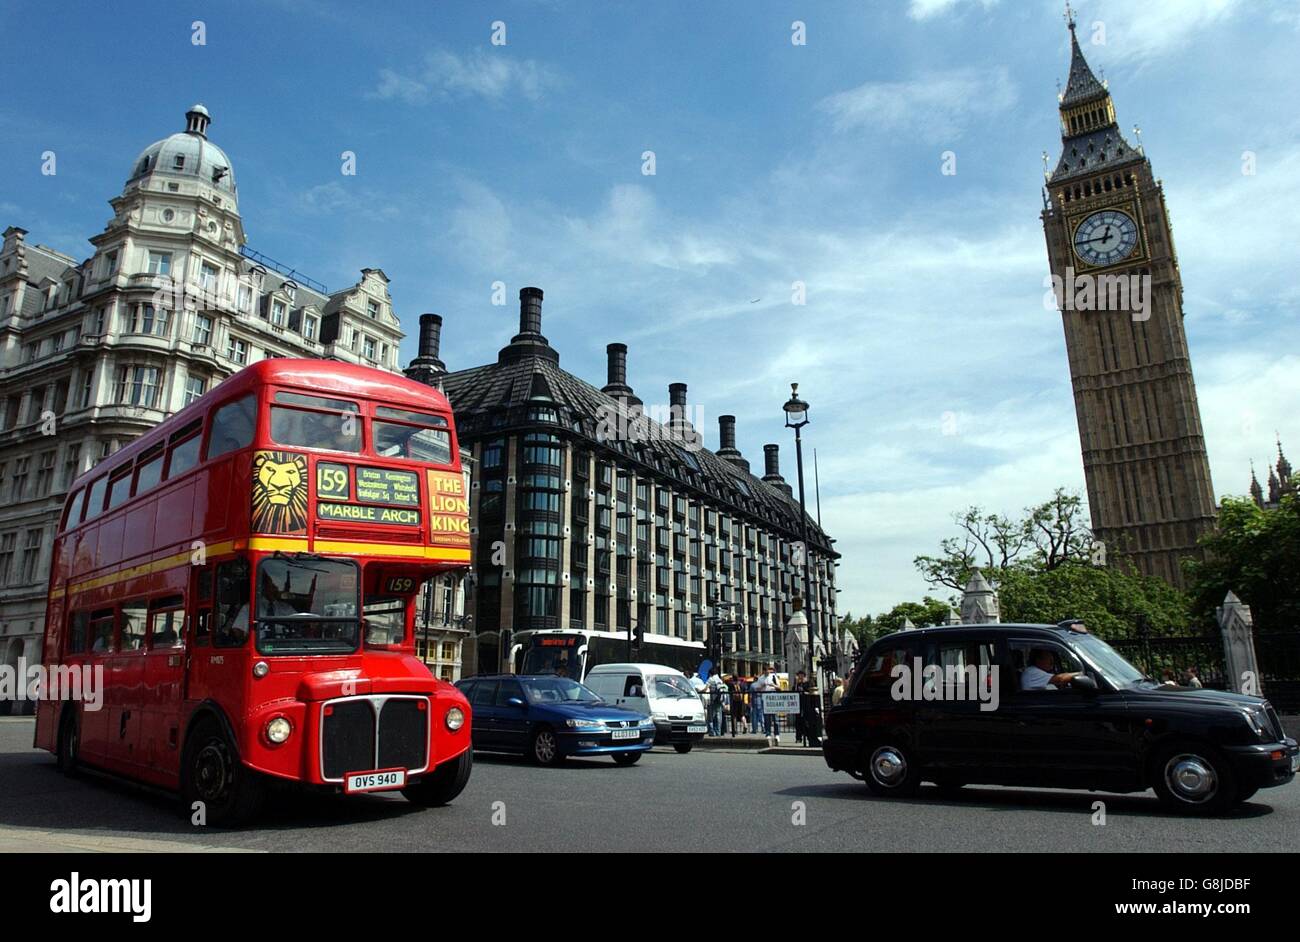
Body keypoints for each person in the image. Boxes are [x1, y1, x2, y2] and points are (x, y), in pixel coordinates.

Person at [753, 664, 783, 745]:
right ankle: (768, 733)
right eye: (765, 670)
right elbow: (756, 688)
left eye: (768, 670)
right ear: (763, 671)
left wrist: (773, 685)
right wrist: (762, 686)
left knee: (775, 717)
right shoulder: (761, 678)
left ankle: (777, 734)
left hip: (773, 697)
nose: (767, 672)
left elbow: (779, 687)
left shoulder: (773, 677)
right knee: (766, 717)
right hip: (765, 697)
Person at [706, 667, 728, 736]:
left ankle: (712, 732)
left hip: (713, 699)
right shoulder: (720, 680)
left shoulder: (710, 679)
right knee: (719, 716)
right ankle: (718, 731)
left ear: (710, 673)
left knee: (711, 717)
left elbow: (706, 688)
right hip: (720, 699)